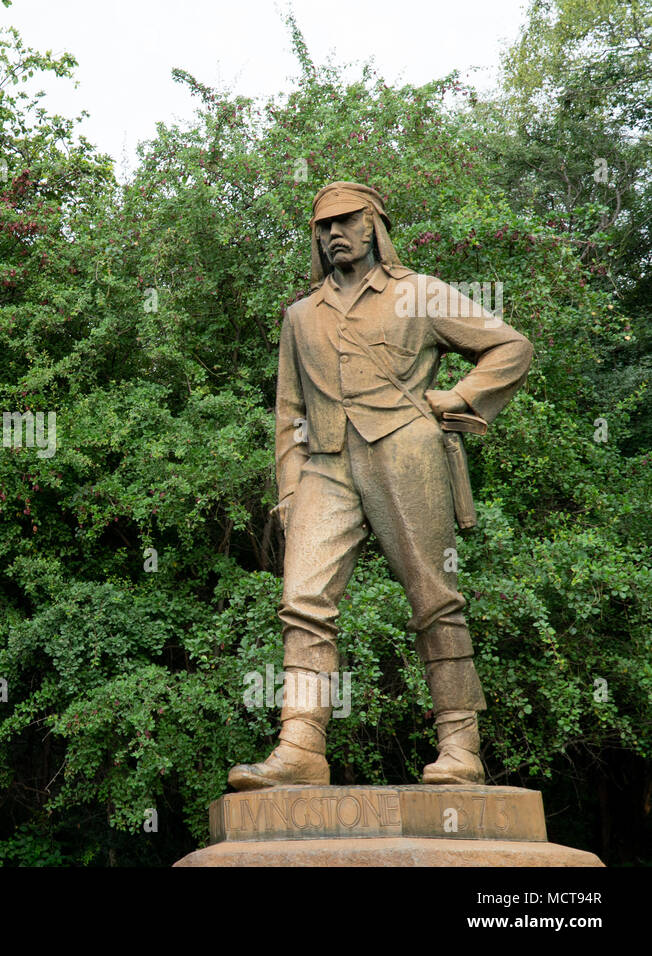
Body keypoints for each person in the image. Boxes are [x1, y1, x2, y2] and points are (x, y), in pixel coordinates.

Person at [228, 182, 534, 790]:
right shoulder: (298, 317)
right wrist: (288, 491)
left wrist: (459, 398)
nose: (334, 233)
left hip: (406, 452)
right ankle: (301, 748)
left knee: (434, 597)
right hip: (325, 466)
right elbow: (290, 413)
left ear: (374, 226)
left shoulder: (417, 293)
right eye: (324, 226)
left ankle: (460, 748)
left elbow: (510, 346)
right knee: (303, 602)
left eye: (347, 221)